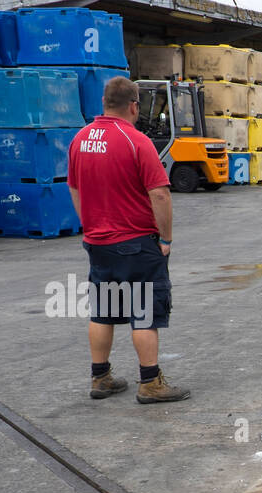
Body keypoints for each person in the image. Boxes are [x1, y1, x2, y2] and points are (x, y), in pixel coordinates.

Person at [67, 75, 189, 403]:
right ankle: (150, 382)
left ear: (104, 104)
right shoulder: (136, 141)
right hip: (136, 242)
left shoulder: (80, 139)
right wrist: (166, 239)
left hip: (98, 243)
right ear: (134, 106)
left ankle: (100, 376)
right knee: (144, 310)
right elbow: (160, 194)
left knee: (103, 311)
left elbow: (74, 187)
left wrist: (90, 226)